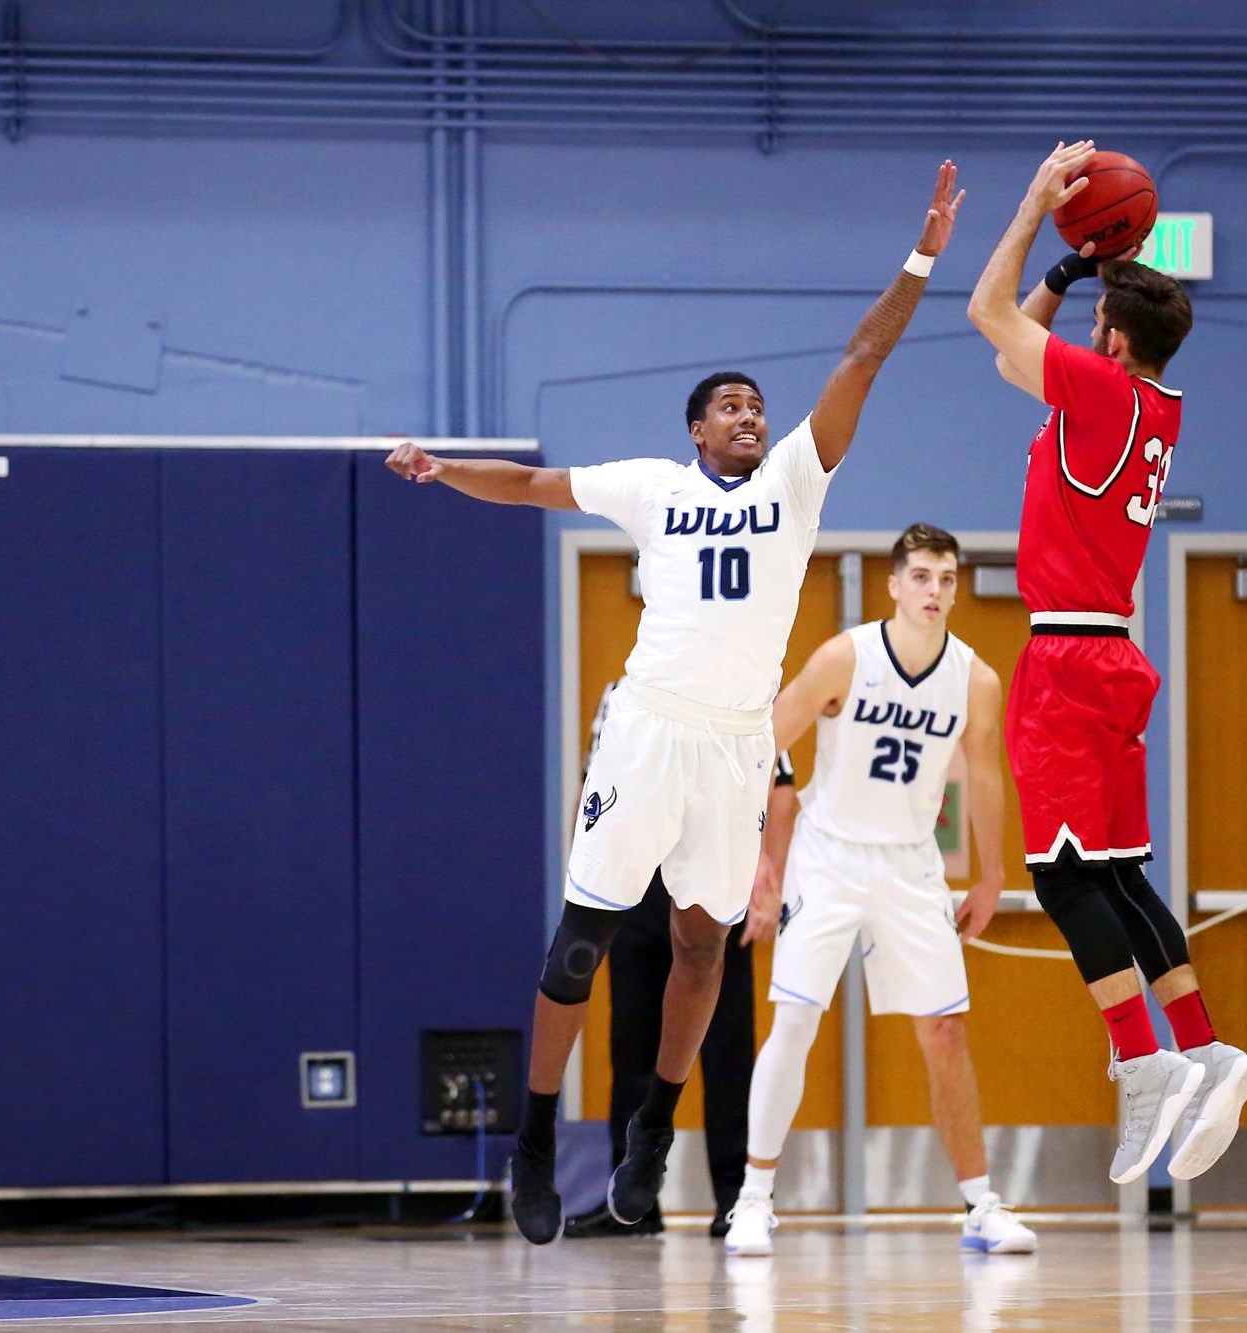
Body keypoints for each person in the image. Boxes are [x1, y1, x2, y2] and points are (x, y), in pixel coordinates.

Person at [385, 159, 963, 1244]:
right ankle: (539, 1140)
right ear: (697, 431)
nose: (751, 416)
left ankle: (655, 1129)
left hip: (736, 746)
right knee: (578, 948)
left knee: (704, 947)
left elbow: (864, 353)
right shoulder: (656, 487)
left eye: (757, 406)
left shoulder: (797, 479)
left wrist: (923, 253)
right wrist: (438, 466)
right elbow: (525, 486)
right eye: (731, 408)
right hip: (648, 727)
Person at [965, 139, 1247, 1187]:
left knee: (1057, 878)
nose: (1081, 332)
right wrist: (1077, 267)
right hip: (1114, 655)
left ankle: (1144, 1065)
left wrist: (1035, 205)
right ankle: (1203, 1040)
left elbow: (984, 318)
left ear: (1115, 346)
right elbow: (1018, 345)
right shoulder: (1149, 404)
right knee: (1117, 871)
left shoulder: (1095, 393)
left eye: (1095, 324)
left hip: (1066, 657)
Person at [723, 523, 1037, 1257]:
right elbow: (764, 739)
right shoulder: (846, 656)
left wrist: (992, 872)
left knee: (946, 1032)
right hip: (827, 856)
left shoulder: (975, 678)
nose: (935, 591)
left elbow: (986, 777)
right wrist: (758, 857)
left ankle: (980, 1205)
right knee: (795, 1018)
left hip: (910, 862)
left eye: (947, 578)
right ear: (893, 584)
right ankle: (753, 1198)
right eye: (922, 576)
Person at [559, 683, 796, 1240]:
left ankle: (737, 1199)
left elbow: (781, 790)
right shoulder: (622, 691)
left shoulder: (745, 681)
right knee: (632, 1047)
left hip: (717, 879)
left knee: (727, 1049)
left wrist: (770, 880)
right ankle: (631, 1204)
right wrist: (586, 886)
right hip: (640, 888)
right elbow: (595, 788)